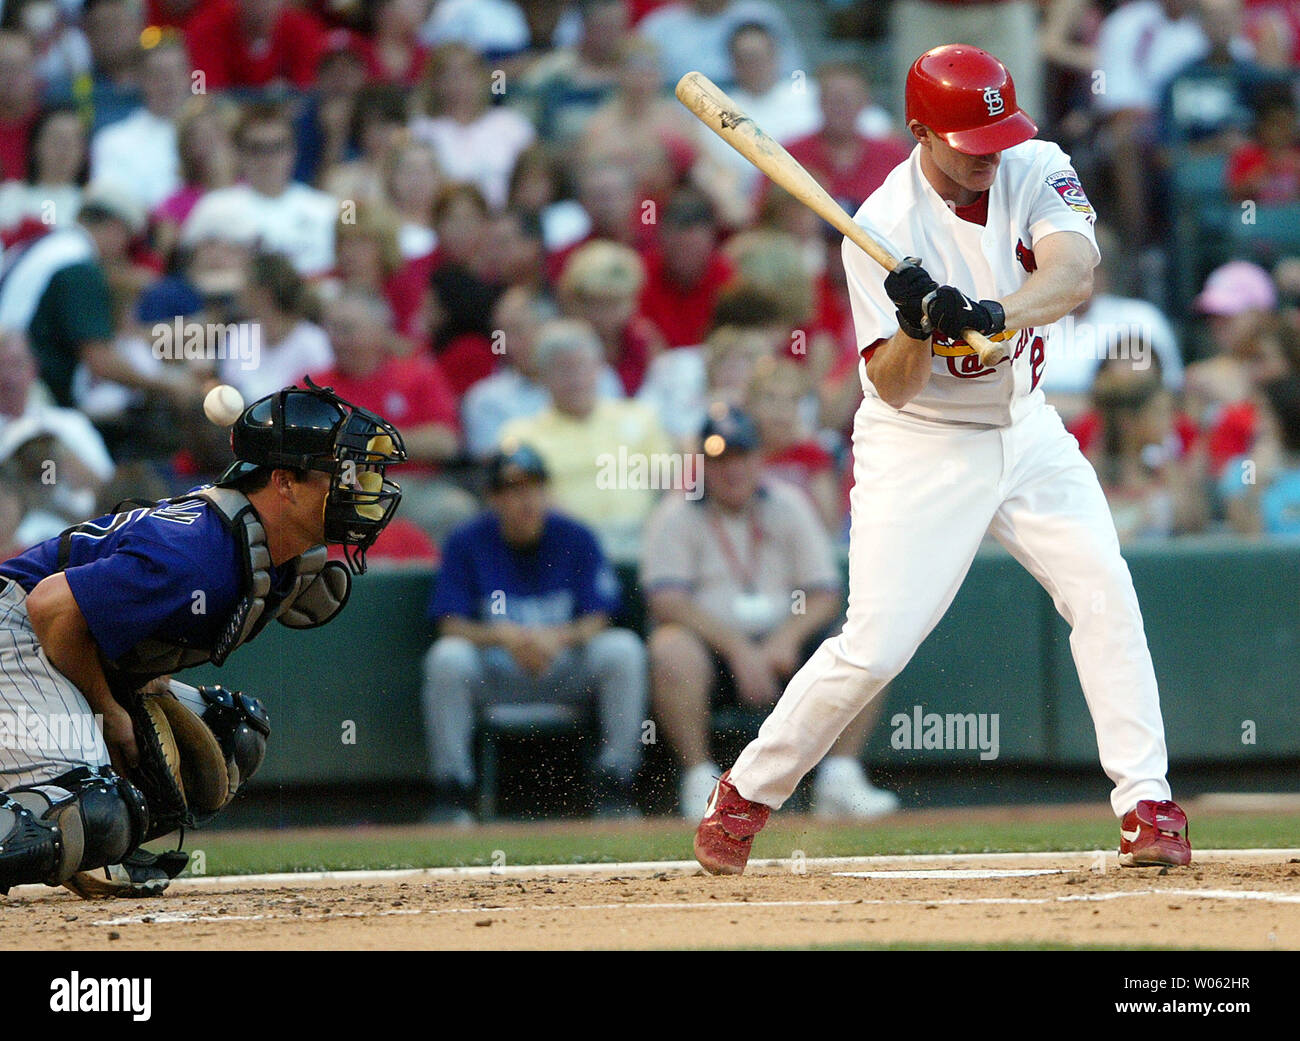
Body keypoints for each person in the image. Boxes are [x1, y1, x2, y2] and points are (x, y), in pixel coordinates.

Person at [694, 45, 1193, 875]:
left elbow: (1071, 275)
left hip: (1027, 427)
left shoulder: (1033, 163)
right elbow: (888, 388)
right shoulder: (879, 229)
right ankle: (746, 791)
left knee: (1103, 586)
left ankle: (1146, 802)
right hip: (922, 440)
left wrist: (993, 310)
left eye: (998, 133)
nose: (989, 154)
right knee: (878, 643)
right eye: (971, 139)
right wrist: (919, 328)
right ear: (923, 131)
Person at [0, 381, 407, 897]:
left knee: (228, 732)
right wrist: (107, 708)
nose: (362, 486)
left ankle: (98, 840)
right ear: (284, 482)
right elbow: (50, 606)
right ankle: (79, 820)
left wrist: (137, 686)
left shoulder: (282, 556)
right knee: (90, 807)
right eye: (344, 473)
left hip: (48, 640)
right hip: (13, 624)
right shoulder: (197, 553)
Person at [643, 406, 897, 819]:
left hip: (785, 648)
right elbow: (666, 601)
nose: (732, 469)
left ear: (759, 459)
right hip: (713, 653)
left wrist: (784, 640)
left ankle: (839, 777)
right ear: (703, 465)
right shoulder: (677, 512)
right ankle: (699, 780)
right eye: (720, 458)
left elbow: (824, 593)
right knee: (669, 647)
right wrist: (737, 648)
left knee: (868, 640)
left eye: (741, 455)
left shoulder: (787, 503)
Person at [421, 444, 647, 822]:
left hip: (562, 665)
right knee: (447, 658)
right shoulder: (466, 541)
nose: (526, 500)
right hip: (498, 668)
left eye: (534, 487)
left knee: (622, 650)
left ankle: (616, 783)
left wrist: (555, 637)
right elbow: (449, 624)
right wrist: (505, 637)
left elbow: (602, 616)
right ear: (492, 497)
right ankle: (452, 790)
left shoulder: (575, 535)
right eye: (513, 490)